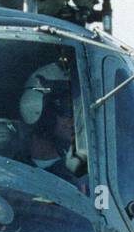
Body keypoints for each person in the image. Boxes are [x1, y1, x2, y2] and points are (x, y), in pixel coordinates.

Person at [18, 62, 89, 193]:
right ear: (42, 110)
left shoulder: (80, 179)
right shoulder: (0, 156)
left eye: (79, 112)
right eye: (68, 110)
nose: (75, 121)